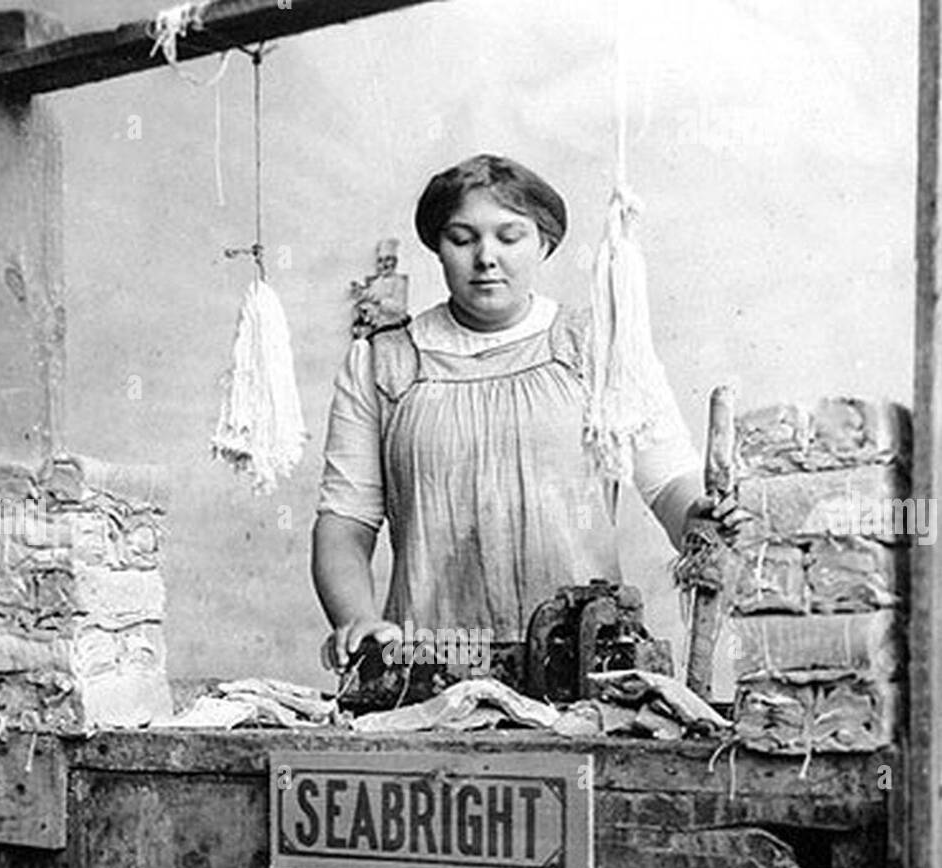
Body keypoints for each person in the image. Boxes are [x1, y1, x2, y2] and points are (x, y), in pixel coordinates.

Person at [313, 152, 742, 673]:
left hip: (585, 665)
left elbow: (669, 484)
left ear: (544, 243)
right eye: (462, 238)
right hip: (428, 669)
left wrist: (700, 519)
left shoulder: (598, 347)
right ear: (437, 248)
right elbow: (345, 522)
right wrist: (356, 619)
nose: (486, 257)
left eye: (509, 237)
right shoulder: (382, 360)